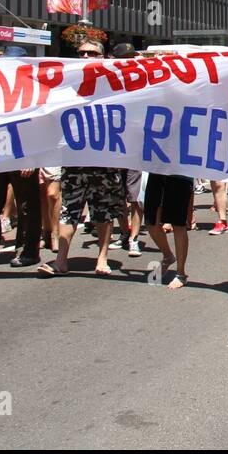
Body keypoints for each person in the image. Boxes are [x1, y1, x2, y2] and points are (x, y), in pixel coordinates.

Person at [38, 41, 125, 278]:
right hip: (74, 159)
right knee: (70, 209)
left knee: (103, 211)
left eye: (92, 52)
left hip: (104, 160)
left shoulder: (115, 83)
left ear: (103, 56)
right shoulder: (68, 85)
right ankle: (61, 260)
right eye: (81, 52)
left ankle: (102, 258)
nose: (85, 55)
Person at [142, 172, 193, 288]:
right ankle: (168, 256)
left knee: (178, 224)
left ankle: (181, 274)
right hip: (157, 171)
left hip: (180, 174)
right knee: (151, 222)